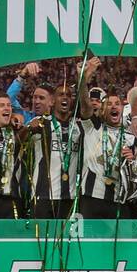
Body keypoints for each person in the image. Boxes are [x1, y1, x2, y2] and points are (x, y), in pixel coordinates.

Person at [77, 58, 137, 218]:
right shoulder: (93, 126)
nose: (114, 106)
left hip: (119, 199)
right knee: (88, 242)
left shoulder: (131, 137)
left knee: (120, 243)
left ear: (122, 109)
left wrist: (135, 160)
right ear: (102, 110)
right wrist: (83, 78)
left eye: (117, 103)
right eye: (109, 104)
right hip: (91, 198)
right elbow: (84, 104)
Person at [23, 85, 82, 219]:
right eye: (61, 94)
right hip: (42, 196)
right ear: (53, 100)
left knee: (70, 239)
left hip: (71, 198)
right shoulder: (40, 123)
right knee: (39, 239)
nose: (65, 97)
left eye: (68, 95)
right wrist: (27, 129)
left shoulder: (79, 127)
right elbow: (16, 142)